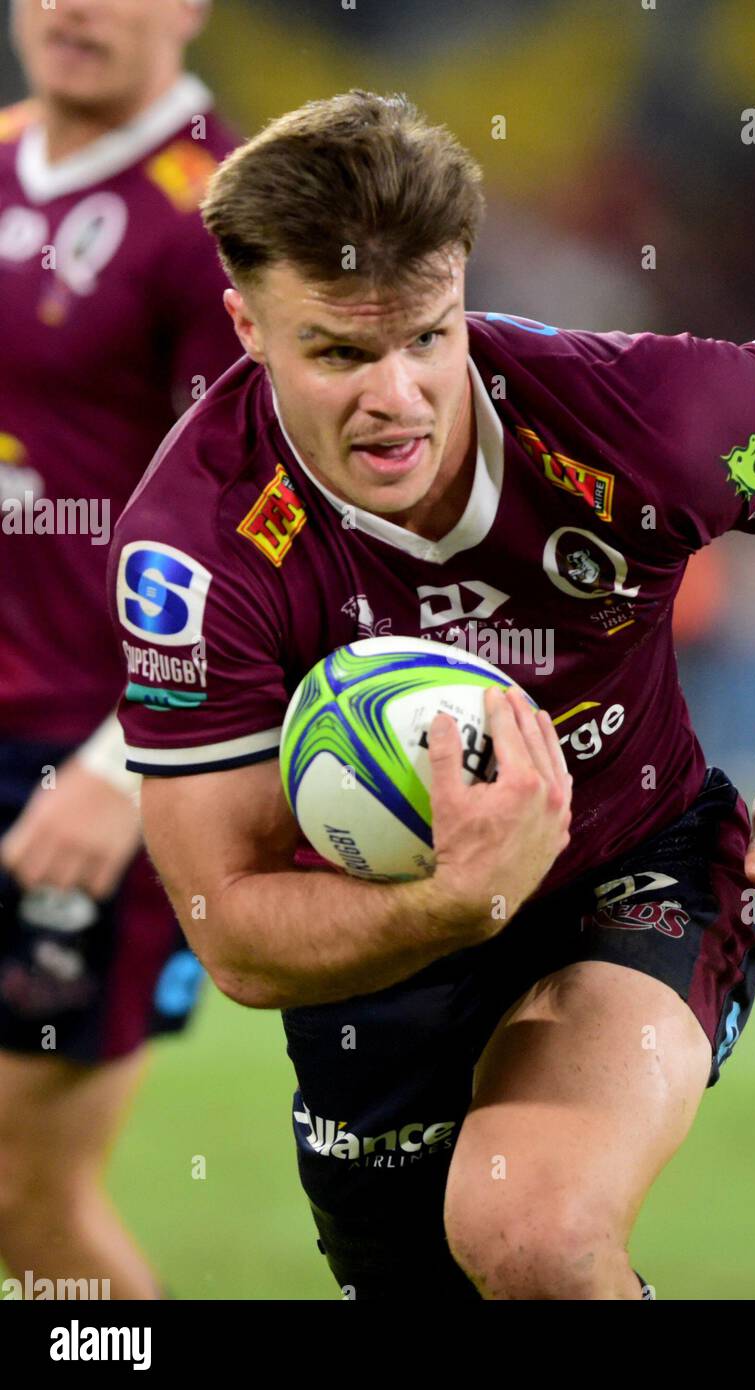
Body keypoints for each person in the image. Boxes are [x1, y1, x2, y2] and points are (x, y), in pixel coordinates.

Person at [109, 91, 755, 1300]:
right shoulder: (195, 550)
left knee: (532, 1235)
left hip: (639, 869)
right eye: (340, 351)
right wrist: (454, 900)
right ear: (248, 325)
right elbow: (228, 923)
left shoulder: (635, 419)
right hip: (382, 952)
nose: (395, 395)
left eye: (425, 337)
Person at [0, 0, 240, 1299]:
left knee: (22, 1190)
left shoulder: (223, 216)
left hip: (87, 764)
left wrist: (130, 754)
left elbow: (260, 515)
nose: (69, 8)